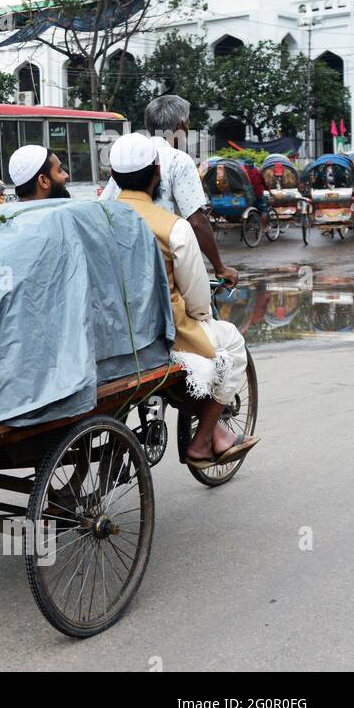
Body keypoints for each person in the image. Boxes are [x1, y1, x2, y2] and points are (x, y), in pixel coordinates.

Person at [109, 133, 258, 468]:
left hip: (109, 331)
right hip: (161, 334)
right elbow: (196, 297)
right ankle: (203, 441)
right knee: (229, 343)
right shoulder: (173, 227)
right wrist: (202, 316)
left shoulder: (97, 219)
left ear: (114, 177)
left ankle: (215, 432)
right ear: (157, 173)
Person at [99, 95, 238, 286]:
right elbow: (196, 221)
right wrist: (220, 268)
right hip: (163, 265)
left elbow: (103, 207)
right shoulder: (178, 160)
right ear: (181, 126)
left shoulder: (132, 156)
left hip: (123, 262)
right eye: (188, 124)